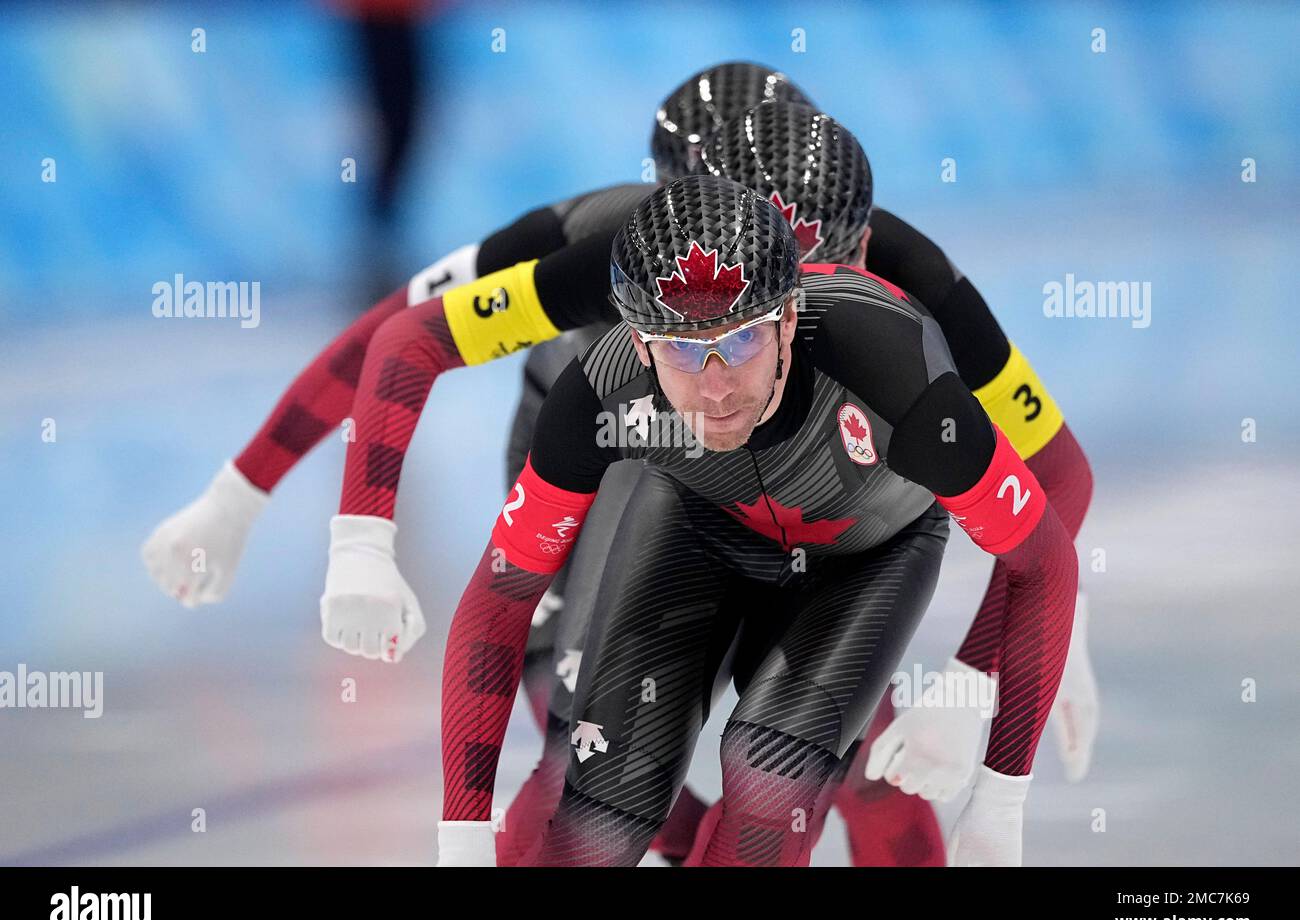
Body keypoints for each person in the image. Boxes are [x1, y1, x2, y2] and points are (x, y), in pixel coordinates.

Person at [333, 175, 1078, 866]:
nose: (715, 386)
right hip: (700, 527)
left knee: (768, 776)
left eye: (741, 341)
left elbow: (1044, 559)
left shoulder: (895, 374)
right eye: (683, 352)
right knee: (602, 805)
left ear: (790, 317)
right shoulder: (600, 398)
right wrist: (460, 838)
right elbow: (502, 594)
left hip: (864, 562)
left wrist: (998, 795)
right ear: (636, 342)